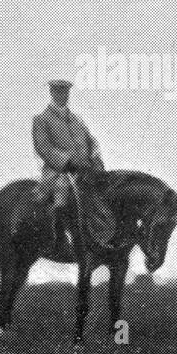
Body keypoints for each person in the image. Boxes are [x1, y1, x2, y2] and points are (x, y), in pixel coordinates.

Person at [33, 79, 119, 251]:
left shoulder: (77, 120)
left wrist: (95, 158)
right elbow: (43, 147)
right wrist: (67, 162)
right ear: (51, 94)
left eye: (65, 92)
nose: (62, 96)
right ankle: (59, 238)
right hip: (58, 172)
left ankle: (103, 235)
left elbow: (92, 142)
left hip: (86, 170)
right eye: (58, 92)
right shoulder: (41, 119)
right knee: (62, 190)